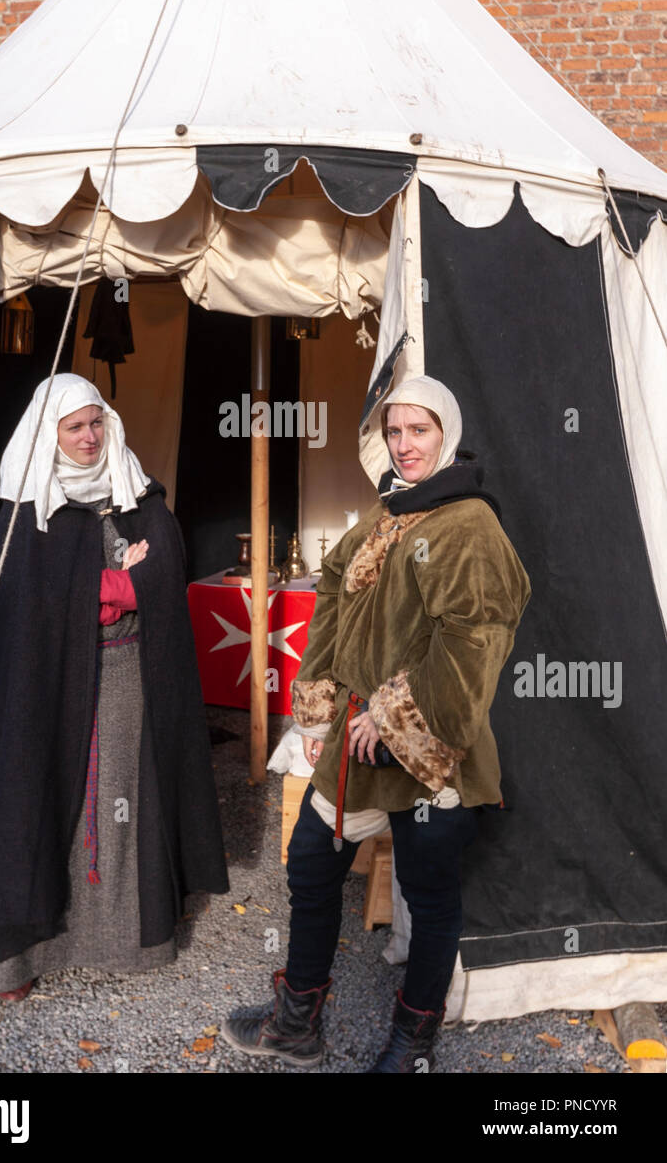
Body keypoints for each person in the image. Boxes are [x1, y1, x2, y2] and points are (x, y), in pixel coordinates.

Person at [222, 373, 530, 1071]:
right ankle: (297, 1024)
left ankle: (410, 1046)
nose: (404, 443)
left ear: (445, 434)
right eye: (394, 431)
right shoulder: (389, 511)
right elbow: (334, 596)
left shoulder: (466, 524)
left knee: (427, 895)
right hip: (353, 742)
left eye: (417, 430)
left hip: (432, 751)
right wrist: (319, 704)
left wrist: (393, 718)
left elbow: (475, 639)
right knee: (309, 862)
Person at [0, 373, 228, 998]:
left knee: (122, 800)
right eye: (74, 427)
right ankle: (20, 955)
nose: (89, 437)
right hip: (40, 691)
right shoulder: (26, 510)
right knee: (35, 800)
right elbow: (21, 602)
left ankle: (128, 941)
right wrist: (107, 588)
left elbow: (164, 571)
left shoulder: (135, 490)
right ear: (49, 433)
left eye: (97, 423)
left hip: (126, 676)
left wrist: (125, 590)